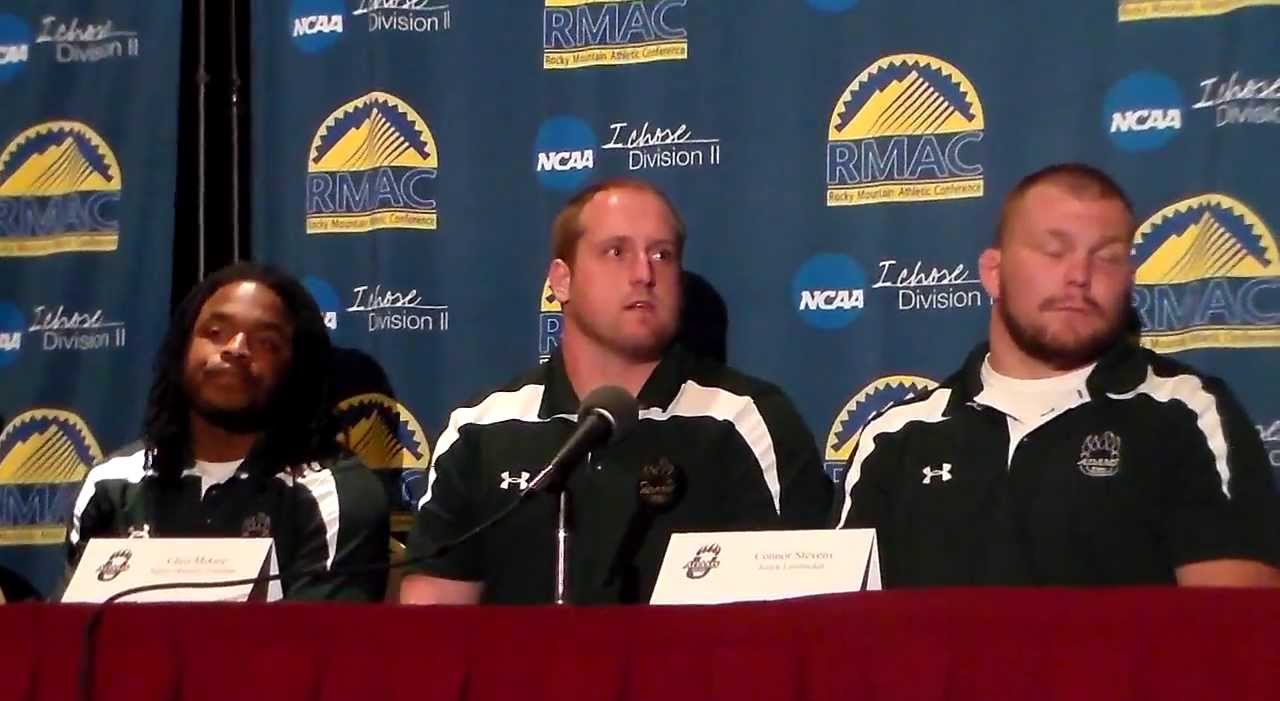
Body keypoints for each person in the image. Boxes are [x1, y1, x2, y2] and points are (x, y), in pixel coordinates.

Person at [839, 163, 1280, 587]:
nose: (1080, 276)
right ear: (993, 273)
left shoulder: (1187, 413)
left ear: (1129, 279)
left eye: (1106, 258)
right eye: (1054, 251)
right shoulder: (896, 437)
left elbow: (1232, 639)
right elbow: (836, 633)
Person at [401, 178, 833, 604]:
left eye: (662, 255)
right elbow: (430, 628)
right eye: (616, 252)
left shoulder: (746, 420)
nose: (644, 273)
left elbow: (798, 620)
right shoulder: (481, 430)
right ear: (561, 280)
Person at [66, 263, 389, 601]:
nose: (235, 348)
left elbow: (317, 649)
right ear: (181, 350)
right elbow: (69, 637)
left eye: (266, 342)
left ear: (297, 369)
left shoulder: (331, 493)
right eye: (215, 332)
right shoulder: (112, 485)